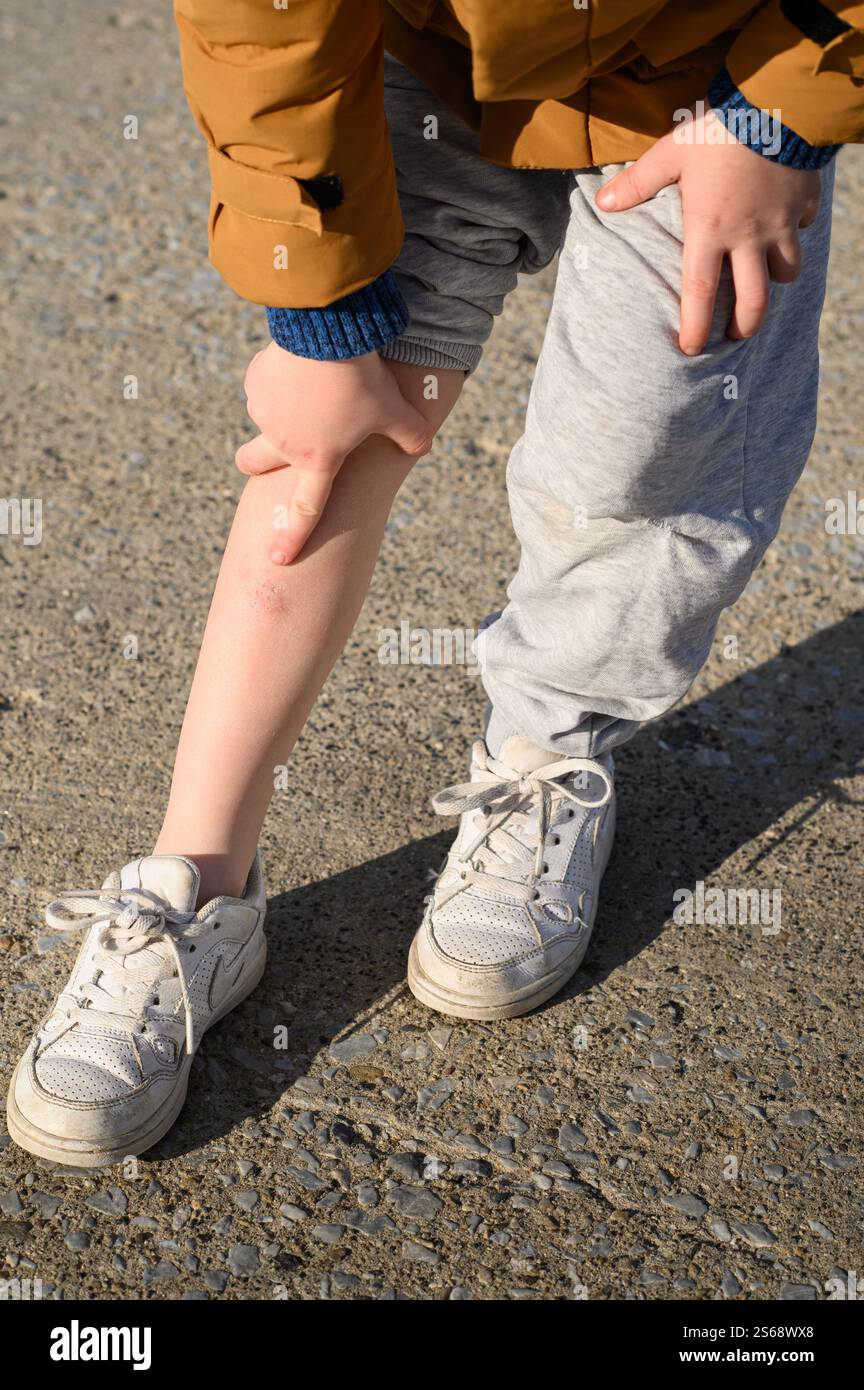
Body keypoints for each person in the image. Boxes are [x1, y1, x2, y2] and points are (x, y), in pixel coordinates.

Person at [7, 1, 860, 1165]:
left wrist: (783, 113)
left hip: (719, 60)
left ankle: (550, 756)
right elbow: (257, 28)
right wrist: (318, 305)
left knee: (646, 449)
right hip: (431, 41)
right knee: (323, 452)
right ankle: (198, 884)